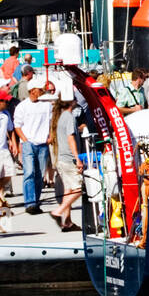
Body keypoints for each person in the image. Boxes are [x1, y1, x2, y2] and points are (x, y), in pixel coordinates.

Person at [13, 82, 52, 214]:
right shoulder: (22, 106)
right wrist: (24, 140)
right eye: (39, 89)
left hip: (43, 143)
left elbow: (52, 121)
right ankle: (30, 202)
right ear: (32, 91)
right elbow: (17, 125)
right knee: (29, 172)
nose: (41, 91)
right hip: (28, 143)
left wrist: (50, 137)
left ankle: (36, 201)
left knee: (40, 174)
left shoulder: (47, 105)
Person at [48, 97, 82, 231]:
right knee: (80, 188)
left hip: (61, 158)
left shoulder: (60, 116)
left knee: (68, 190)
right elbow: (70, 138)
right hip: (68, 159)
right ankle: (58, 211)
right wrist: (77, 158)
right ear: (71, 102)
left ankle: (67, 222)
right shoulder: (69, 117)